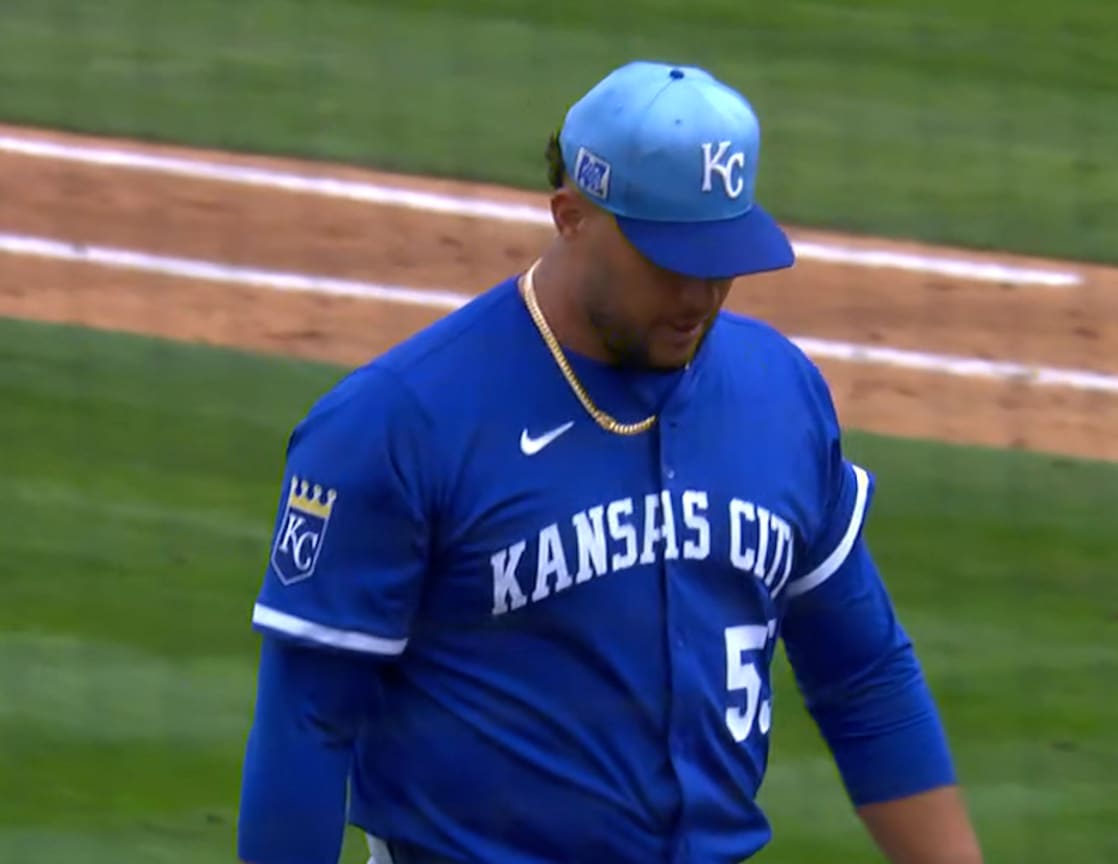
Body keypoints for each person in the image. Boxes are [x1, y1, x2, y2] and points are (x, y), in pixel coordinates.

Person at [236, 59, 984, 864]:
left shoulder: (780, 393)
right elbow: (306, 721)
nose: (698, 293)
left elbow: (863, 675)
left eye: (720, 255)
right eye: (666, 258)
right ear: (572, 215)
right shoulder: (399, 421)